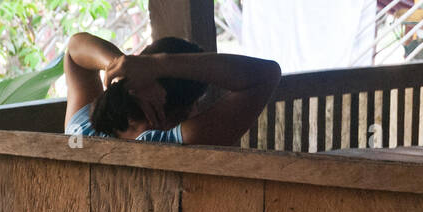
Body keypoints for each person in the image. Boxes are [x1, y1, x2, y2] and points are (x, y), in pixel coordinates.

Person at [64, 32, 281, 146]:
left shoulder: (82, 130)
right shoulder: (171, 144)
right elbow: (266, 74)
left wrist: (123, 66)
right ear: (183, 111)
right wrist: (160, 65)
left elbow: (74, 47)